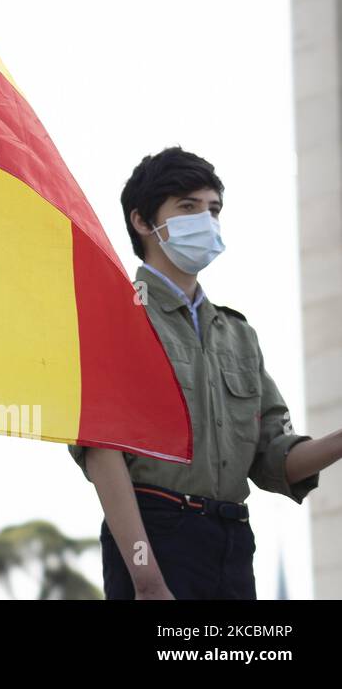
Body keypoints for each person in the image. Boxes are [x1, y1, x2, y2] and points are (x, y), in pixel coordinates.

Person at [69, 146, 342, 599]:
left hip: (233, 544)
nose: (206, 221)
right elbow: (102, 453)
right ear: (142, 221)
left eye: (213, 209)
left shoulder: (238, 335)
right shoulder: (113, 311)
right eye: (188, 207)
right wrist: (147, 580)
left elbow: (275, 457)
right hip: (155, 536)